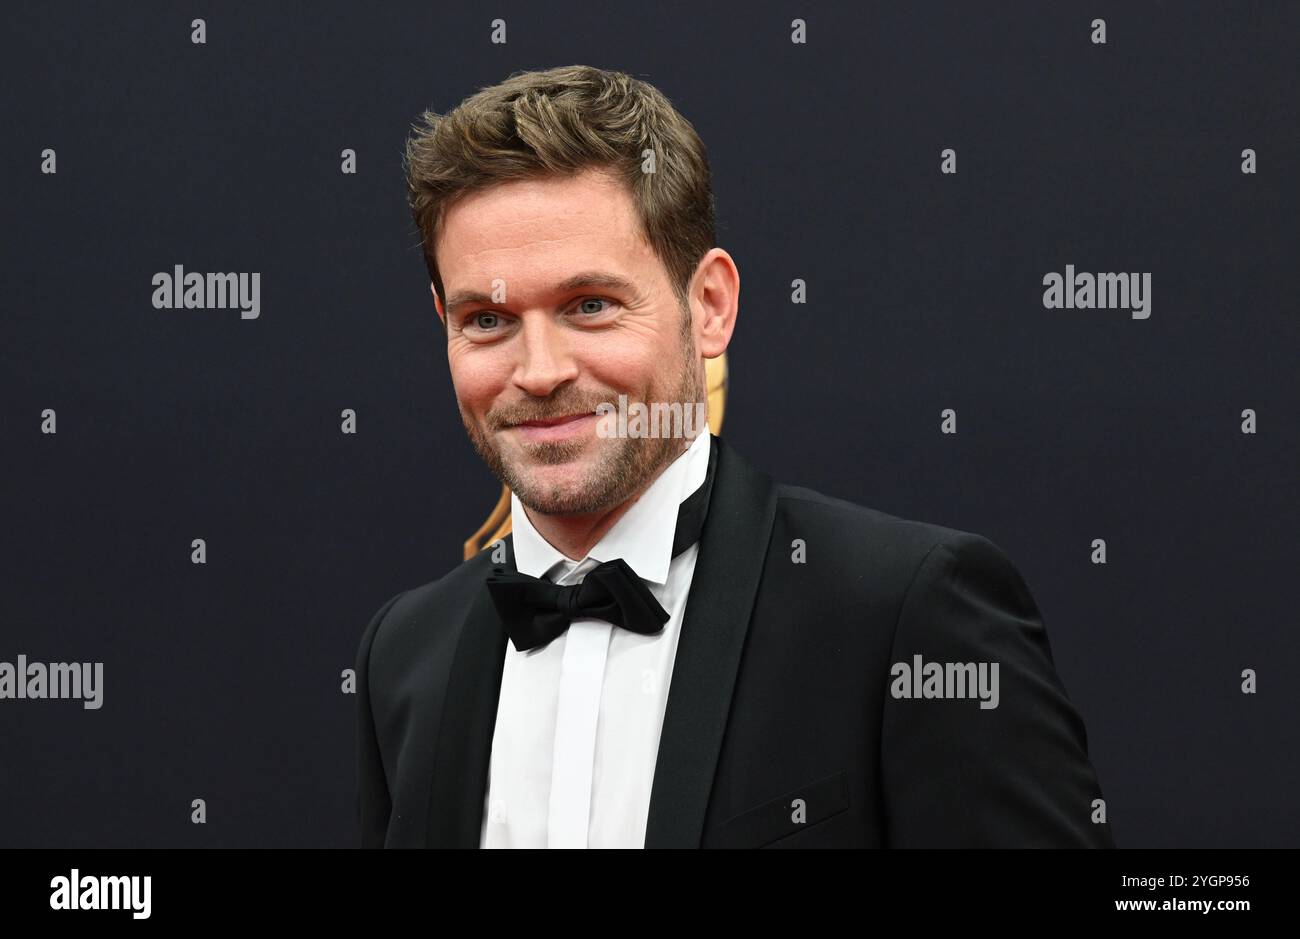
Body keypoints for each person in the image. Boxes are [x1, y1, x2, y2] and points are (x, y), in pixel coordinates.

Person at [355, 64, 1114, 848]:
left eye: (590, 306)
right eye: (488, 319)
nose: (540, 370)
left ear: (709, 306)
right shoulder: (406, 654)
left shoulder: (903, 614)